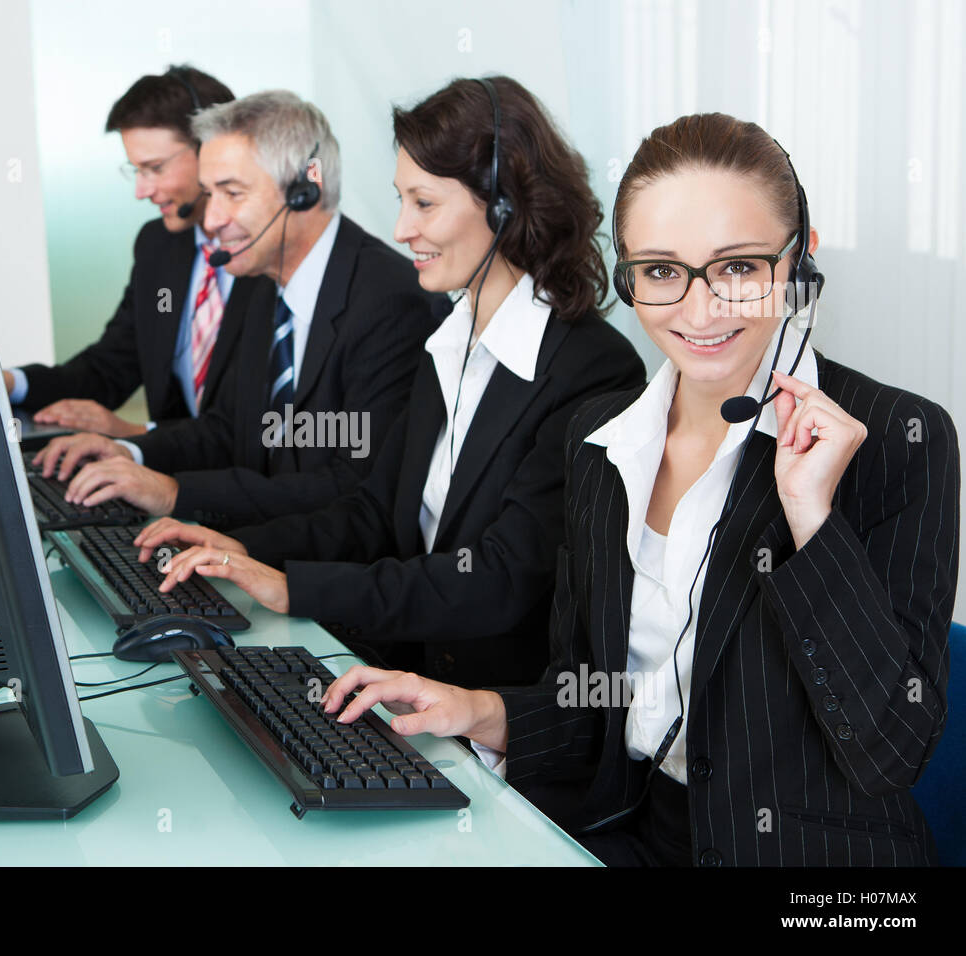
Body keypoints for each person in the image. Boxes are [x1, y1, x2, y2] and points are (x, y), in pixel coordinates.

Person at [319, 112, 959, 866]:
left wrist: (811, 518)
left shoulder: (894, 438)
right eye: (659, 271)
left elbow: (890, 750)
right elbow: (591, 701)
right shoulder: (603, 437)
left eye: (738, 267)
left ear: (799, 265)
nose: (698, 310)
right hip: (632, 834)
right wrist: (477, 710)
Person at [133, 77, 644, 687]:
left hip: (492, 713)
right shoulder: (451, 338)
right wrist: (241, 548)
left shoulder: (590, 369)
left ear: (505, 205)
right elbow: (373, 511)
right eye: (402, 201)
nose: (402, 229)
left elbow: (498, 579)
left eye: (424, 204)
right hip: (404, 674)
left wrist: (295, 587)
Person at [35, 91, 439, 528]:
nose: (211, 220)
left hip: (326, 577)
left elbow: (351, 488)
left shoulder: (392, 303)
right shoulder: (263, 281)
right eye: (211, 194)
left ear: (304, 191)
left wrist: (175, 495)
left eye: (233, 193)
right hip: (262, 547)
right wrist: (130, 452)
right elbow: (230, 428)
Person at [2, 65, 266, 436]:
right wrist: (9, 384)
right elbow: (109, 368)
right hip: (173, 471)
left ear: (213, 151)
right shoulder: (160, 246)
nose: (141, 191)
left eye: (155, 168)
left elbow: (258, 426)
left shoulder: (271, 255)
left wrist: (135, 435)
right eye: (137, 170)